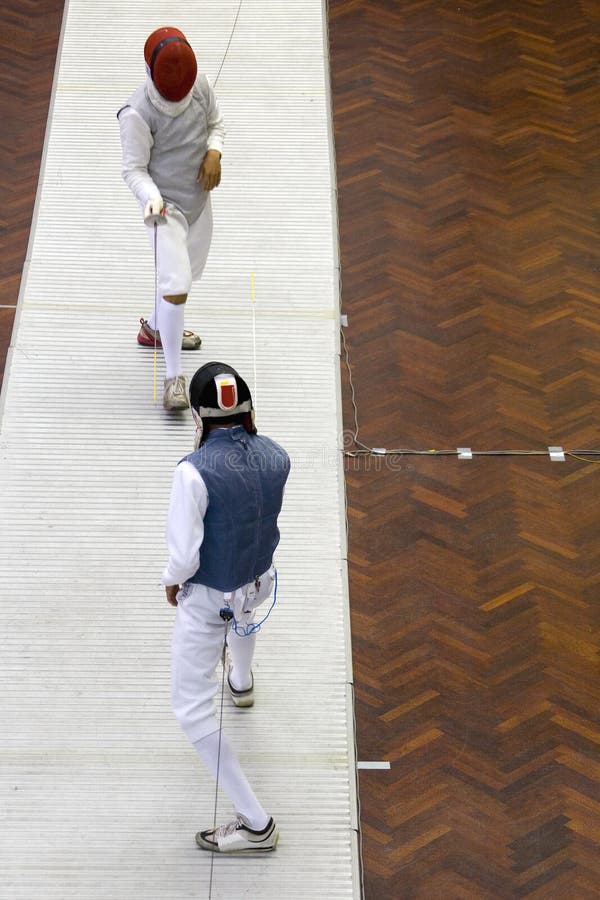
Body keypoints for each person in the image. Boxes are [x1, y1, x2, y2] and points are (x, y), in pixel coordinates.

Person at [162, 362, 290, 852]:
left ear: (201, 416)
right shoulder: (278, 456)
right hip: (259, 580)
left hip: (209, 594)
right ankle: (241, 681)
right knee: (245, 615)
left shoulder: (192, 472)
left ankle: (255, 822)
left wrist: (171, 584)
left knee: (192, 708)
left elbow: (183, 556)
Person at [117, 27, 225, 410]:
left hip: (199, 201)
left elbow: (215, 123)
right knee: (176, 285)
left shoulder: (199, 84)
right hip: (165, 211)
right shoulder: (136, 113)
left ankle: (154, 329)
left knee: (183, 278)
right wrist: (153, 198)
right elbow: (133, 169)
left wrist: (214, 152)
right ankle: (173, 379)